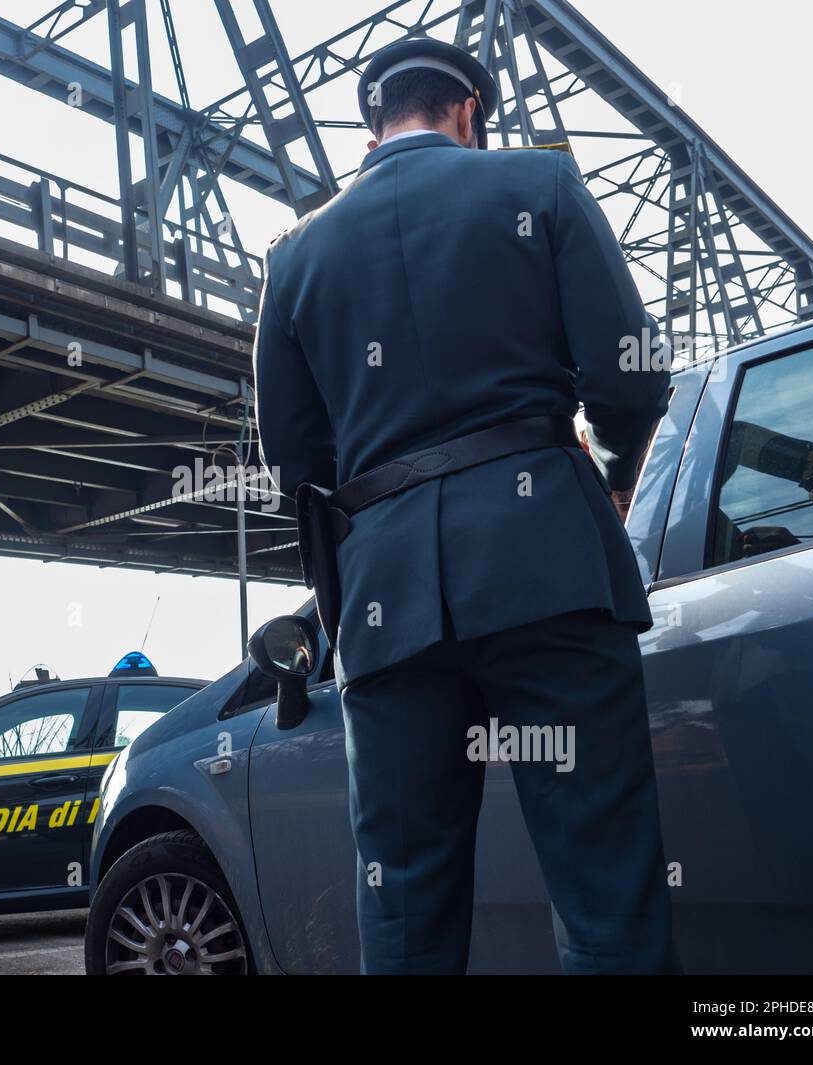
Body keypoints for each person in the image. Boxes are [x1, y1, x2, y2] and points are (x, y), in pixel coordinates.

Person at [252, 36, 681, 974]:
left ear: (373, 122)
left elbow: (292, 457)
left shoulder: (292, 257)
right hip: (550, 569)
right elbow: (632, 379)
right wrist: (607, 478)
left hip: (386, 604)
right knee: (607, 896)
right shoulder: (542, 187)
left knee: (404, 909)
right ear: (469, 113)